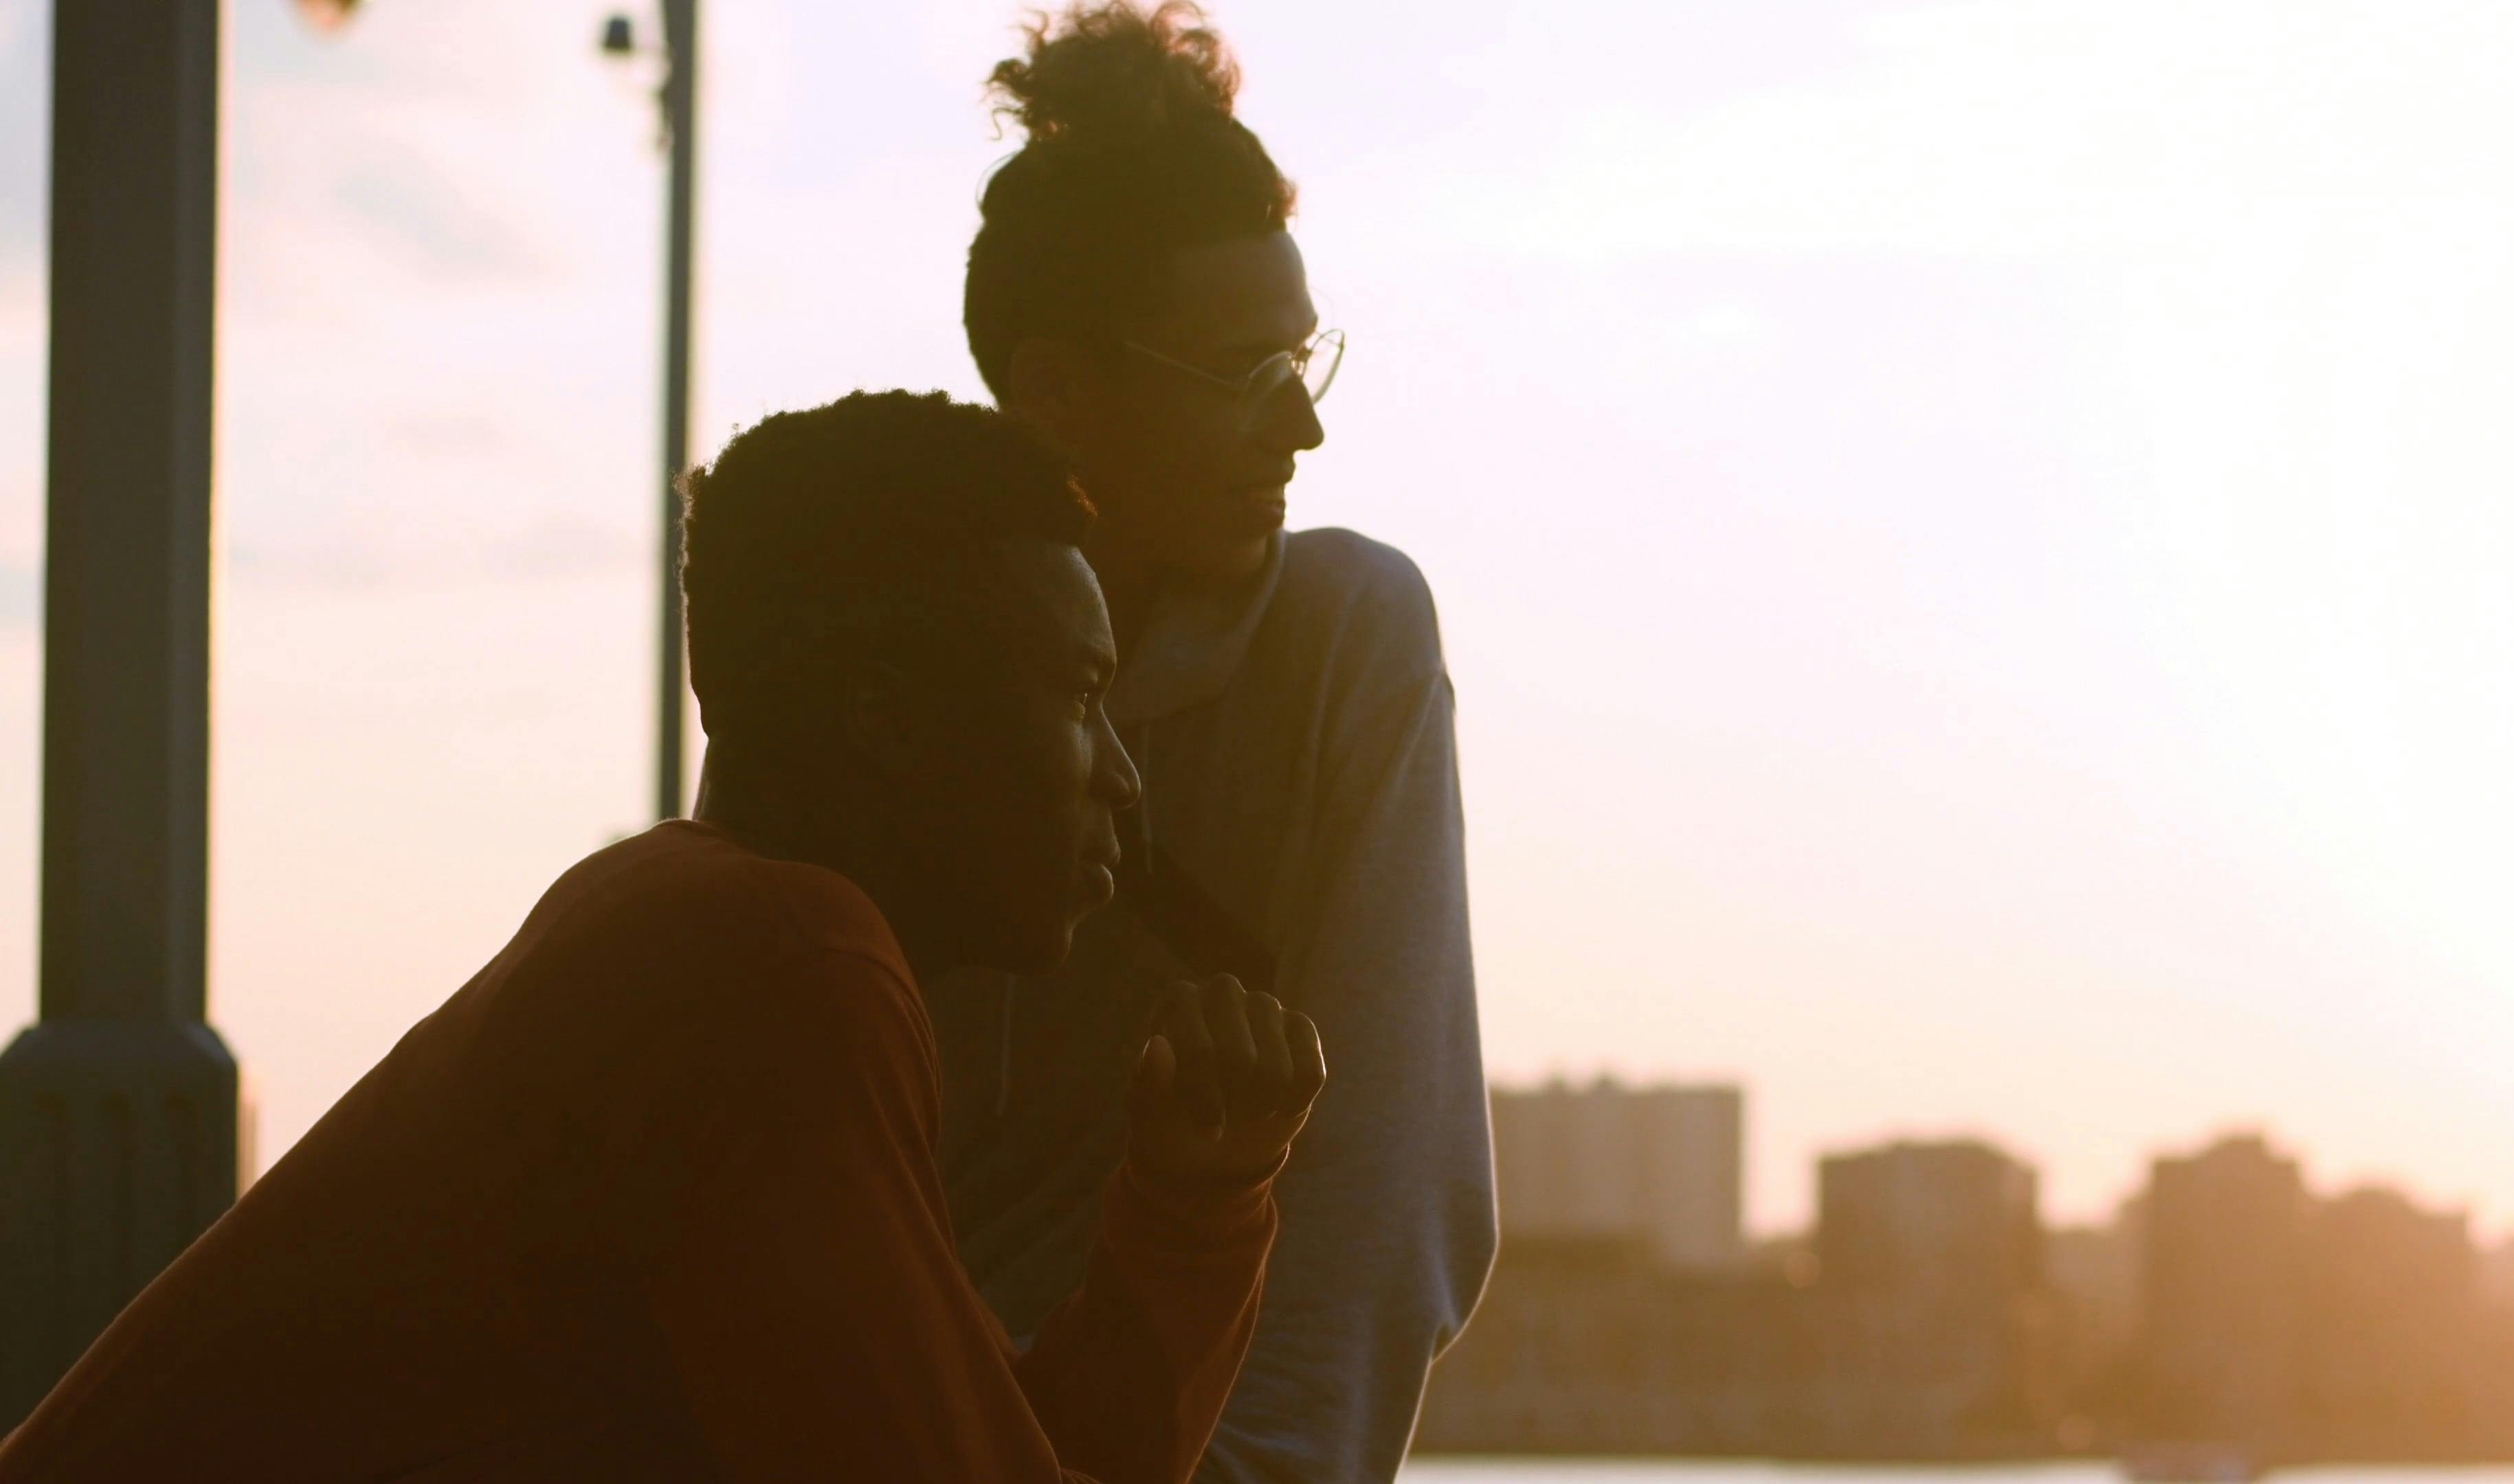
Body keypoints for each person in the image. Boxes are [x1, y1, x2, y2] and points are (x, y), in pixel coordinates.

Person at [0, 390, 1326, 1482]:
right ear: (890, 721)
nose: (1122, 781)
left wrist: (1196, 1200)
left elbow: (1016, 1453)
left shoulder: (688, 929)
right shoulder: (774, 969)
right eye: (1081, 698)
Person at [929, 5, 1497, 1478]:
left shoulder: (1344, 640)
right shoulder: (877, 657)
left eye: (1303, 362)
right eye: (1244, 373)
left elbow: (1385, 1191)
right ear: (1055, 391)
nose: (1302, 429)